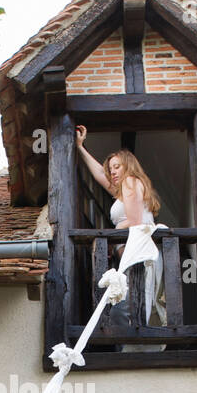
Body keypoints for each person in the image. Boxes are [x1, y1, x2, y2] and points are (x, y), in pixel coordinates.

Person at [75, 126, 169, 349]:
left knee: (125, 306)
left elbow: (136, 224)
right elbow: (99, 174)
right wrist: (80, 147)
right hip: (132, 254)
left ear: (129, 165)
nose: (113, 171)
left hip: (137, 255)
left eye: (117, 166)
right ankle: (133, 347)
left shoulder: (130, 182)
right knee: (131, 304)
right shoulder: (124, 188)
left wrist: (119, 226)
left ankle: (131, 349)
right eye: (111, 168)